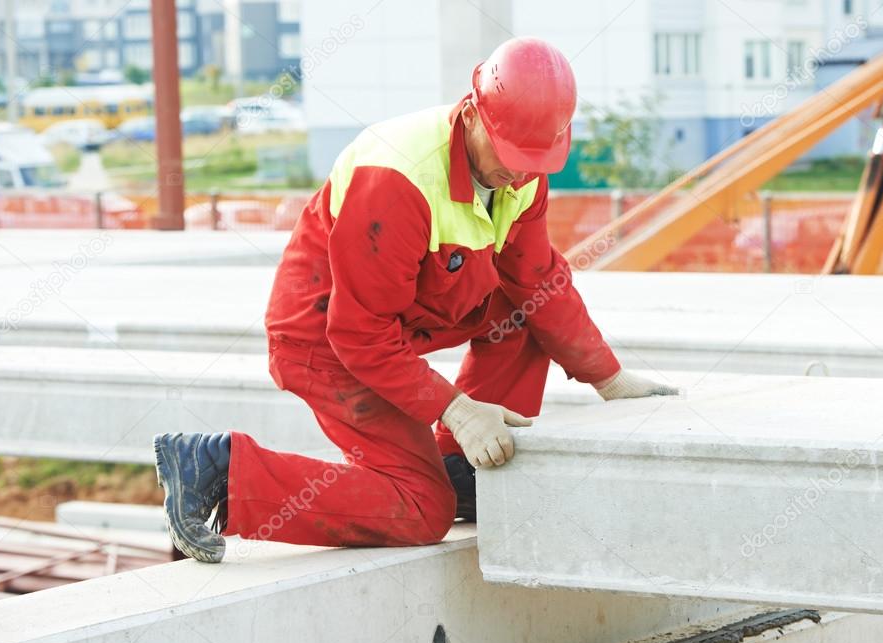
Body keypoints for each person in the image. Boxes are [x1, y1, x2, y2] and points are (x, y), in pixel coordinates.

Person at [153, 37, 674, 563]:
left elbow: (537, 281)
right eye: (512, 156)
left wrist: (607, 376)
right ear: (473, 113)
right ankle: (217, 468)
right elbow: (358, 333)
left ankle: (461, 469)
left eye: (535, 161)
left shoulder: (524, 176)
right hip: (327, 341)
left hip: (411, 312)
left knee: (524, 314)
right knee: (423, 511)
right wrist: (456, 408)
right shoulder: (397, 178)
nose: (518, 173)